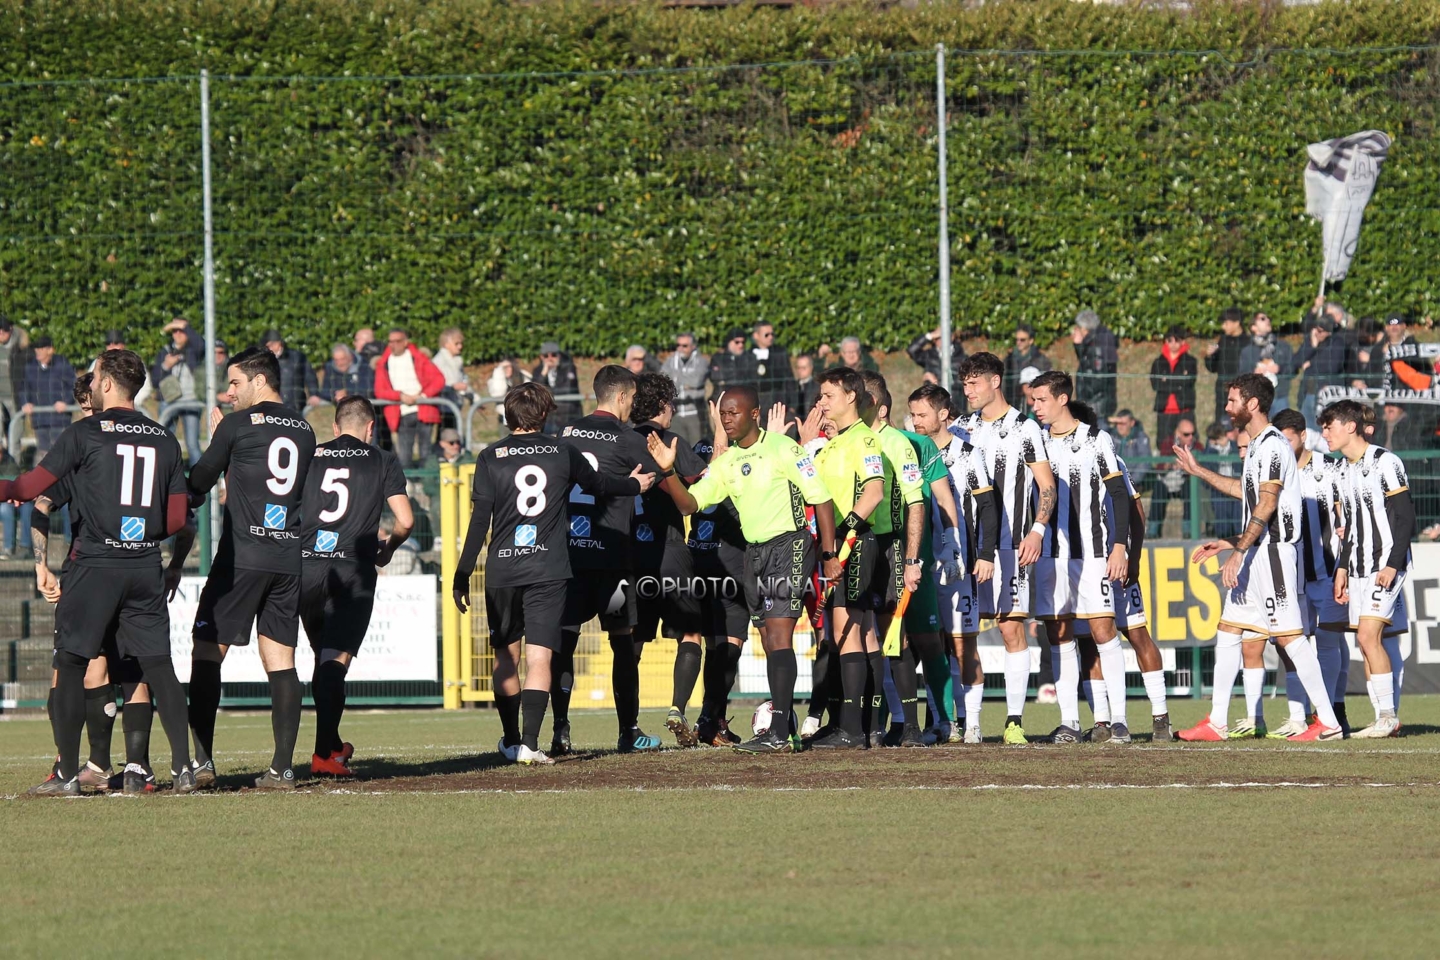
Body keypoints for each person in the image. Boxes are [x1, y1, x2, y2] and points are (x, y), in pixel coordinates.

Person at [0, 350, 196, 795]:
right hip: (145, 564)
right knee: (158, 667)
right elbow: (178, 520)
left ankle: (68, 775)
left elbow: (31, 489)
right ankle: (183, 768)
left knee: (70, 664)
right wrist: (140, 530)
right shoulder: (164, 438)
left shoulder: (85, 431)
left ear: (106, 383)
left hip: (95, 564)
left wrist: (6, 488)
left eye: (94, 377)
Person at [455, 382, 652, 765]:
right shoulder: (562, 450)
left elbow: (480, 521)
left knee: (505, 658)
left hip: (503, 569)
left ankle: (511, 740)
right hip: (548, 568)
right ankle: (531, 743)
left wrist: (463, 573)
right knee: (540, 658)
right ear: (545, 414)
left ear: (507, 415)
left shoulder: (490, 456)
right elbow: (599, 485)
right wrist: (634, 484)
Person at [648, 385, 835, 753]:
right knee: (768, 640)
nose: (726, 419)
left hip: (789, 546)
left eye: (733, 412)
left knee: (779, 636)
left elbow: (821, 497)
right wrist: (668, 472)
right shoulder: (727, 462)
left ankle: (780, 731)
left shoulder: (784, 448)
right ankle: (781, 730)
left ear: (754, 414)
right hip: (755, 555)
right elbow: (689, 505)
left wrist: (828, 552)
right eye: (722, 413)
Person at [1175, 373, 1342, 741]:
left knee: (1290, 639)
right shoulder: (1256, 445)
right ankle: (1217, 721)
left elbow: (1267, 503)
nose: (1227, 407)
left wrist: (1239, 551)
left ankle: (1328, 722)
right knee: (1229, 630)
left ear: (1252, 404)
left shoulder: (1271, 445)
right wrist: (1198, 470)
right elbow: (1245, 492)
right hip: (1258, 553)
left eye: (1233, 400)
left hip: (1276, 555)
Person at [186, 346, 319, 789]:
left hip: (243, 555)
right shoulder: (304, 429)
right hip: (287, 557)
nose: (229, 393)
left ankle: (202, 763)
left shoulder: (237, 425)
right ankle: (282, 768)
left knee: (207, 650)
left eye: (235, 383)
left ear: (260, 381)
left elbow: (198, 482)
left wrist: (218, 442)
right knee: (280, 659)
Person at [551, 366, 664, 754]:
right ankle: (628, 731)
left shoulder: (566, 433)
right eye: (632, 399)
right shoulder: (626, 438)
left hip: (568, 559)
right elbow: (661, 473)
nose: (633, 406)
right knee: (622, 643)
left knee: (564, 642)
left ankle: (560, 729)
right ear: (620, 397)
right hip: (612, 560)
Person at [299, 396, 414, 777]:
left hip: (307, 567)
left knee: (324, 660)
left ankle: (332, 745)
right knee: (334, 661)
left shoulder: (310, 455)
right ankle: (322, 756)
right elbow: (406, 520)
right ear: (370, 428)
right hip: (351, 569)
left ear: (334, 428)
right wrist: (388, 549)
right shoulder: (381, 459)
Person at [953, 352, 1056, 744]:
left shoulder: (1024, 428)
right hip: (965, 550)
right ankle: (970, 722)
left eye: (974, 383)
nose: (968, 391)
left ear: (996, 381)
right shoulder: (961, 428)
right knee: (962, 634)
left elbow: (1046, 484)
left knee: (1012, 629)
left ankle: (1014, 719)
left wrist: (1038, 529)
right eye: (964, 384)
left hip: (1010, 547)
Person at [1027, 371, 1134, 744]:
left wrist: (1119, 546)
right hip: (1051, 557)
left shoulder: (1095, 439)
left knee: (1104, 630)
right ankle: (1069, 721)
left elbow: (1119, 494)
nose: (1034, 406)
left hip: (1093, 554)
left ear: (1062, 399)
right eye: (1033, 400)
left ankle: (1118, 720)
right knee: (1059, 634)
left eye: (1040, 399)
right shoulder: (1035, 441)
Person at [905, 383, 996, 743]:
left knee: (962, 644)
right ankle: (942, 722)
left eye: (922, 414)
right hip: (924, 563)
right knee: (929, 644)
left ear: (943, 414)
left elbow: (986, 506)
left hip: (960, 563)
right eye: (912, 415)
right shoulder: (912, 451)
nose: (916, 422)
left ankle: (970, 722)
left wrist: (983, 554)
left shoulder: (967, 453)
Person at [626, 374, 711, 745]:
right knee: (690, 633)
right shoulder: (671, 441)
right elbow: (704, 479)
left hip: (629, 554)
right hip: (671, 550)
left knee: (631, 640)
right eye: (671, 404)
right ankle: (677, 708)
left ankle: (627, 725)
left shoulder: (620, 439)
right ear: (663, 406)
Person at [1322, 399, 1413, 739]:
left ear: (1349, 426)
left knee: (1367, 636)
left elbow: (1406, 517)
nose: (1325, 434)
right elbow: (1351, 528)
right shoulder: (1342, 470)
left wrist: (1392, 564)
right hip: (1358, 568)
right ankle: (1383, 719)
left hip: (1385, 564)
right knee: (1367, 642)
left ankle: (1388, 716)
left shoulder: (1385, 461)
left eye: (1329, 427)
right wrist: (1342, 569)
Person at [854, 372, 929, 746]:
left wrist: (912, 559)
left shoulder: (897, 443)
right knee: (855, 636)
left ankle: (911, 726)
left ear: (878, 408)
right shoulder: (849, 439)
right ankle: (864, 726)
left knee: (893, 638)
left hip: (888, 547)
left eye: (860, 400)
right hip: (855, 546)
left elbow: (916, 502)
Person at [1272, 408, 1351, 739]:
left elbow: (1345, 520)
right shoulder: (1274, 474)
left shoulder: (1328, 468)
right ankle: (1298, 716)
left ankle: (1333, 711)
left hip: (1329, 572)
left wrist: (1345, 563)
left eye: (1287, 439)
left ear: (1303, 437)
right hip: (1292, 577)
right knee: (1291, 643)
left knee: (1330, 641)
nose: (1282, 446)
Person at [683, 414, 751, 748]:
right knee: (729, 647)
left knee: (714, 648)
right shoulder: (744, 455)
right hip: (731, 563)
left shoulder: (698, 451)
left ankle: (710, 720)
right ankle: (711, 721)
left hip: (698, 559)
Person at [374, 326, 446, 469]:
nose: (394, 344)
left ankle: (427, 487)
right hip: (400, 413)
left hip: (424, 410)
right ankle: (407, 486)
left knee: (426, 452)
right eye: (390, 341)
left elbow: (439, 380)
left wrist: (422, 396)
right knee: (404, 455)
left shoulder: (418, 358)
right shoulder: (384, 364)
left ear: (406, 341)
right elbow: (379, 391)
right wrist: (400, 396)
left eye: (398, 341)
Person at [152, 322, 202, 464]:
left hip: (192, 400)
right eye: (175, 331)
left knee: (192, 444)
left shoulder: (194, 351)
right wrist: (165, 366)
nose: (178, 334)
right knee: (165, 441)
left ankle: (199, 482)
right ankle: (166, 475)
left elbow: (201, 343)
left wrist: (184, 325)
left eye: (182, 331)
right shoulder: (165, 351)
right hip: (169, 400)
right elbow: (155, 381)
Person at [20, 336, 76, 461]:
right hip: (40, 419)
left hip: (60, 419)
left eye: (41, 348)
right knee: (43, 452)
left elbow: (74, 386)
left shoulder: (62, 364)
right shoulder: (30, 367)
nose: (38, 351)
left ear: (50, 350)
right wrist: (25, 403)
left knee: (61, 452)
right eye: (36, 348)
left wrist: (66, 401)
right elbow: (24, 388)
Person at [1296, 315, 1353, 428]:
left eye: (1320, 331)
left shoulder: (1338, 343)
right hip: (1307, 393)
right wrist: (1312, 346)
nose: (1316, 333)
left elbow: (1333, 367)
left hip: (1325, 395)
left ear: (1328, 332)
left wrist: (1310, 365)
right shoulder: (1311, 341)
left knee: (1323, 429)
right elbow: (1296, 362)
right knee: (1307, 431)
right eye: (1315, 329)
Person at [1237, 312, 1295, 414]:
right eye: (1262, 319)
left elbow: (1293, 369)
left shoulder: (1283, 347)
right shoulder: (1247, 351)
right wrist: (1254, 373)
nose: (1268, 320)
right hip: (1257, 399)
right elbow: (1242, 376)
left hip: (1280, 397)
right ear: (1253, 327)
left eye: (1268, 318)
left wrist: (1279, 368)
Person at [1147, 418, 1196, 538]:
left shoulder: (1197, 446)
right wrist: (1167, 464)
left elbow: (1201, 466)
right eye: (1186, 434)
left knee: (1191, 493)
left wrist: (1187, 466)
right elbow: (1159, 465)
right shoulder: (1167, 443)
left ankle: (1188, 531)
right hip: (1167, 480)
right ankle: (1152, 531)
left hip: (1184, 481)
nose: (1190, 437)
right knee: (1158, 492)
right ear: (1178, 433)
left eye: (1192, 434)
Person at [1150, 325, 1197, 446]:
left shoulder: (1190, 361)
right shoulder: (1158, 362)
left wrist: (1167, 381)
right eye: (1169, 340)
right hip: (1165, 409)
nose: (1173, 344)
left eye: (1177, 340)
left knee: (1188, 443)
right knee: (1164, 443)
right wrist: (1177, 383)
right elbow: (1155, 384)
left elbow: (1189, 382)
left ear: (1182, 341)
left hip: (1184, 408)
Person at [660, 332, 708, 447]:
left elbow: (696, 381)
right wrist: (687, 382)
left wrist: (675, 378)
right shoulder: (670, 361)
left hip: (694, 414)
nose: (680, 349)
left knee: (697, 448)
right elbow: (662, 381)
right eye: (678, 345)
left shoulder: (701, 361)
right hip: (675, 413)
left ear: (693, 346)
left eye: (685, 346)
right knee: (678, 449)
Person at [1072, 309, 1119, 419]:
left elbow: (1096, 378)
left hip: (1096, 405)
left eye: (1077, 328)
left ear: (1084, 329)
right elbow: (1086, 364)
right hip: (1096, 404)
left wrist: (1084, 401)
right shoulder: (1093, 343)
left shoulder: (1097, 346)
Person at [1204, 308, 1247, 423]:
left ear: (1237, 323)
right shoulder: (1222, 341)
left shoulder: (1247, 343)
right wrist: (1210, 356)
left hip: (1241, 393)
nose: (1223, 327)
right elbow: (1212, 368)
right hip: (1222, 394)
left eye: (1226, 323)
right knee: (1221, 424)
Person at [262, 329, 323, 410]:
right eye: (268, 346)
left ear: (279, 342)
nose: (270, 348)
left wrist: (314, 394)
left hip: (296, 404)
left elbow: (309, 376)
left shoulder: (297, 357)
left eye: (272, 344)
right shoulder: (265, 360)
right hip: (274, 405)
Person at [1200, 421, 1241, 538]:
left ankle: (1238, 540)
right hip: (1219, 490)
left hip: (1235, 486)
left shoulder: (1235, 447)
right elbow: (1207, 469)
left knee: (1238, 518)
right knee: (1222, 519)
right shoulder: (1209, 452)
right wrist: (1212, 448)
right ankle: (1224, 539)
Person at [749, 321, 797, 418]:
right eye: (766, 335)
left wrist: (793, 405)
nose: (770, 337)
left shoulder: (780, 353)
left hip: (777, 399)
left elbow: (789, 379)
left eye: (772, 334)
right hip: (756, 402)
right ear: (756, 335)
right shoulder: (748, 355)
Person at [532, 341, 581, 431]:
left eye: (553, 355)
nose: (550, 359)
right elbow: (535, 391)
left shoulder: (568, 368)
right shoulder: (538, 371)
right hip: (548, 418)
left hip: (567, 416)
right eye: (546, 356)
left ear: (559, 356)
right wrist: (544, 374)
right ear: (541, 357)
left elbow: (566, 389)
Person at [1001, 324, 1051, 408]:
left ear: (1031, 340)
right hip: (1012, 403)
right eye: (1016, 339)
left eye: (1022, 340)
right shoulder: (1008, 360)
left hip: (1035, 405)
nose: (1018, 342)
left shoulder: (1041, 360)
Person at [1381, 313, 1430, 392]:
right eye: (1390, 324)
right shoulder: (1378, 348)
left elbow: (1425, 371)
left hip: (1411, 395)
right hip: (1384, 395)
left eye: (1397, 324)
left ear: (1404, 326)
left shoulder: (1415, 347)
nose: (1394, 327)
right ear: (1386, 327)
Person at [0, 317, 30, 442]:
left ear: (10, 329)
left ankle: (14, 460)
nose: (1, 334)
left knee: (14, 438)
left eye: (4, 331)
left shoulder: (23, 350)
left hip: (15, 398)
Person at [1106, 408, 1151, 491]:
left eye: (1123, 423)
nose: (1120, 426)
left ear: (1132, 423)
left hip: (1133, 484)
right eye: (1117, 423)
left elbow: (1145, 463)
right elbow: (1095, 426)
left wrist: (1130, 481)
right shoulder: (1110, 435)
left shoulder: (1140, 437)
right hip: (1111, 481)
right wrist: (1107, 420)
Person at [486, 357, 531, 431]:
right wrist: (499, 372)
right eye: (503, 367)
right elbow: (498, 392)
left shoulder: (523, 376)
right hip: (505, 418)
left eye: (507, 366)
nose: (506, 369)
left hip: (523, 417)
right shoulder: (495, 379)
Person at [707, 329, 755, 397]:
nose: (740, 345)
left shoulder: (749, 358)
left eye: (743, 342)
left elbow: (753, 379)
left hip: (744, 398)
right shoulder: (718, 358)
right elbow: (717, 378)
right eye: (737, 342)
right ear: (729, 342)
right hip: (722, 397)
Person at [794, 353, 820, 419]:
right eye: (798, 368)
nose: (800, 371)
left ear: (811, 368)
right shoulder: (792, 387)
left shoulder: (817, 387)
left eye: (803, 368)